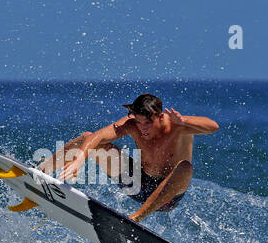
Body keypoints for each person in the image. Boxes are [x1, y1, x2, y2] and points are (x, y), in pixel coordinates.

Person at [41, 93, 219, 221]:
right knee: (87, 137)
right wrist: (79, 159)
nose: (143, 128)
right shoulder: (132, 124)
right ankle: (40, 171)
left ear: (160, 116)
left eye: (148, 122)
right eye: (139, 122)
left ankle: (135, 218)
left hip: (166, 198)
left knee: (186, 168)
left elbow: (213, 126)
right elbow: (99, 136)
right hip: (137, 184)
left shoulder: (178, 125)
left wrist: (185, 121)